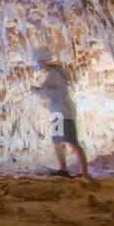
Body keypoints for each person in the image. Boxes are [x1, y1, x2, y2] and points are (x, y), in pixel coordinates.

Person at [31, 48, 89, 177]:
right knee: (57, 140)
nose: (38, 66)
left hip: (61, 112)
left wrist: (39, 91)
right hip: (61, 111)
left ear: (43, 61)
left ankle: (82, 171)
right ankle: (64, 168)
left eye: (38, 63)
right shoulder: (56, 72)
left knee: (72, 142)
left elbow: (56, 92)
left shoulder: (55, 74)